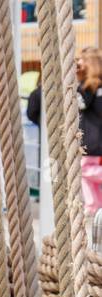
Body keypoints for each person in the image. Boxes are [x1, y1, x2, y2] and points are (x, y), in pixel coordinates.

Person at [75, 48, 102, 215]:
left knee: (83, 170)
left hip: (91, 139)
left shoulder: (90, 86)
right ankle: (94, 206)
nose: (79, 63)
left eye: (81, 60)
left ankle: (92, 205)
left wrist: (75, 85)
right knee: (88, 175)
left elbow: (81, 104)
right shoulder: (98, 85)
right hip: (96, 138)